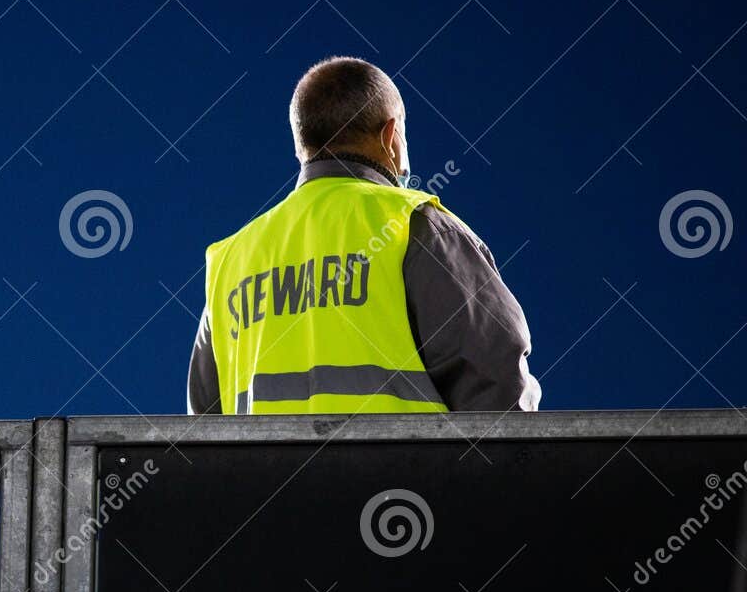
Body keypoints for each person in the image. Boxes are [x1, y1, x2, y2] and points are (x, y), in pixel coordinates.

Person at [187, 56, 541, 415]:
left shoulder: (231, 258)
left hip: (265, 475)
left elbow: (203, 433)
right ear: (391, 136)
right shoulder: (417, 226)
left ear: (301, 147)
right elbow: (498, 390)